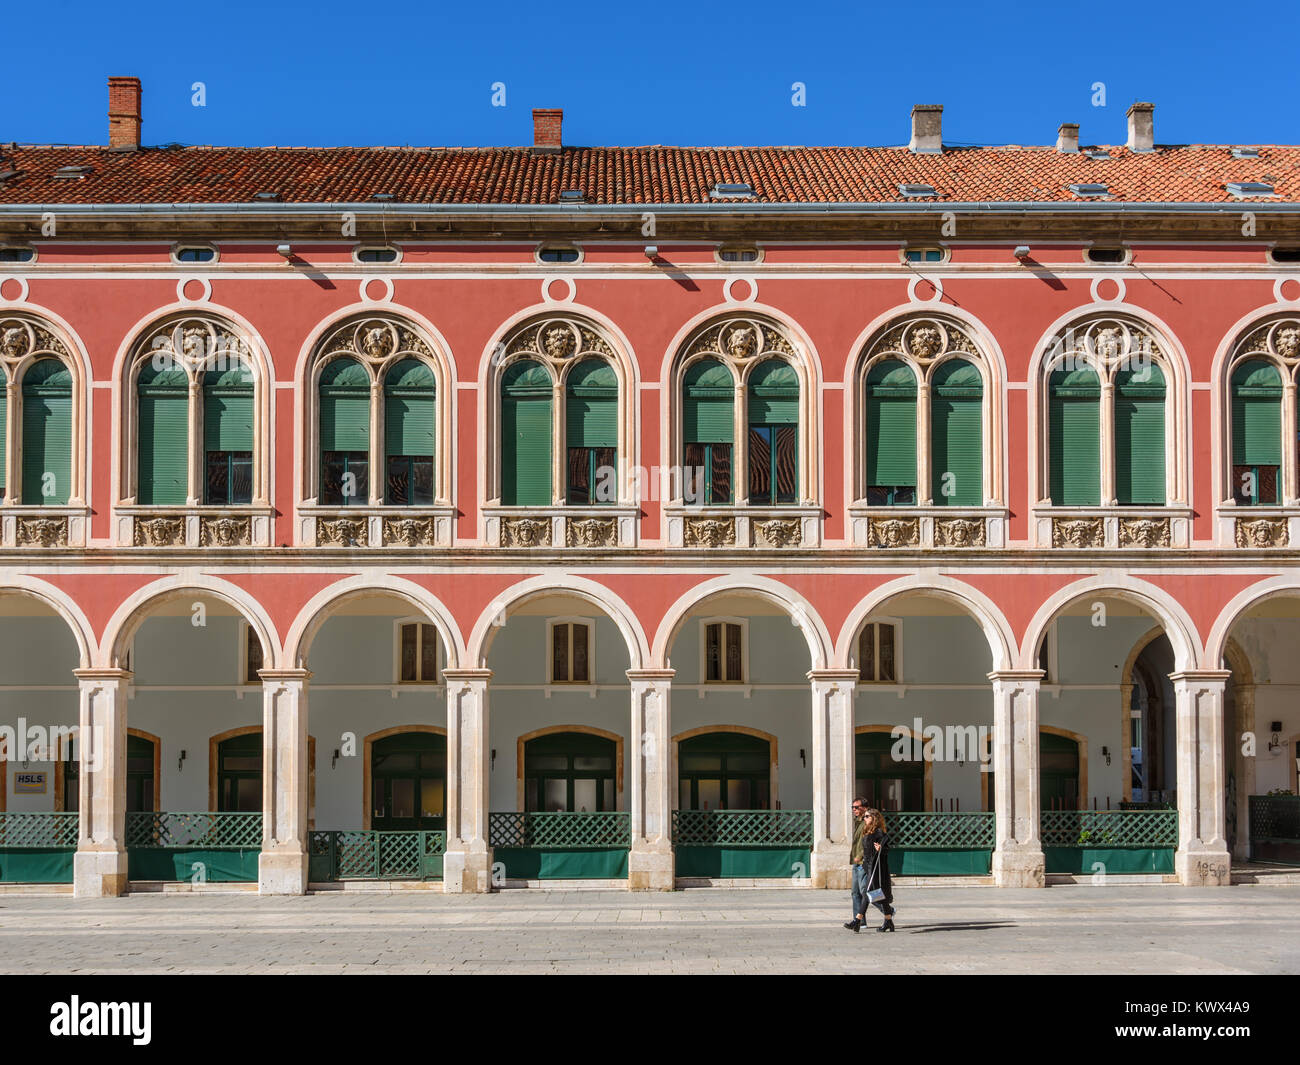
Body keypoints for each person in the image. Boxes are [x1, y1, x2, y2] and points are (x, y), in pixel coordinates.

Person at [862, 807, 896, 932]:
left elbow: (886, 849)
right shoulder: (867, 831)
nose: (864, 818)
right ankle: (888, 920)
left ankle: (857, 919)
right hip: (868, 866)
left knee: (867, 892)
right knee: (878, 895)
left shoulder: (879, 833)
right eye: (864, 816)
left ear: (874, 818)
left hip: (877, 867)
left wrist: (880, 849)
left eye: (866, 816)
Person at [844, 797, 870, 932]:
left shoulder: (867, 821)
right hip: (856, 860)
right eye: (852, 807)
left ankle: (888, 909)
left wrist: (860, 855)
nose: (854, 810)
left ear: (864, 807)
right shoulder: (858, 822)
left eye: (856, 807)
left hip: (862, 861)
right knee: (855, 892)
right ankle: (859, 920)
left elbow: (866, 841)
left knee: (864, 891)